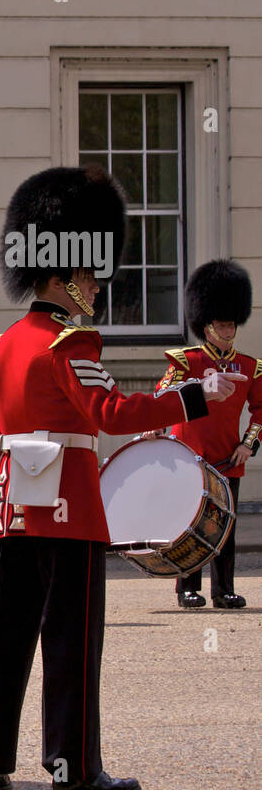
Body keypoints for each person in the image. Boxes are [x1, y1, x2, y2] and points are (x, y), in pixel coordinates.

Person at [0, 165, 245, 790]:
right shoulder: (72, 341)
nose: (96, 284)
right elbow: (112, 415)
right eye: (89, 273)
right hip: (69, 515)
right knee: (72, 646)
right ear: (62, 275)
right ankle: (74, 773)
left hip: (14, 513)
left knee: (4, 638)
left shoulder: (3, 345)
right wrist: (194, 398)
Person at [152, 259, 257, 610]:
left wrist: (248, 443)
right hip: (191, 455)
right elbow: (163, 396)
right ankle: (187, 587)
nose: (228, 331)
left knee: (224, 527)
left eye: (231, 325)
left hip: (228, 455)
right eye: (221, 326)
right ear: (207, 327)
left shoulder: (249, 366)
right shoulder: (187, 362)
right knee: (190, 523)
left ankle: (223, 590)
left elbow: (261, 409)